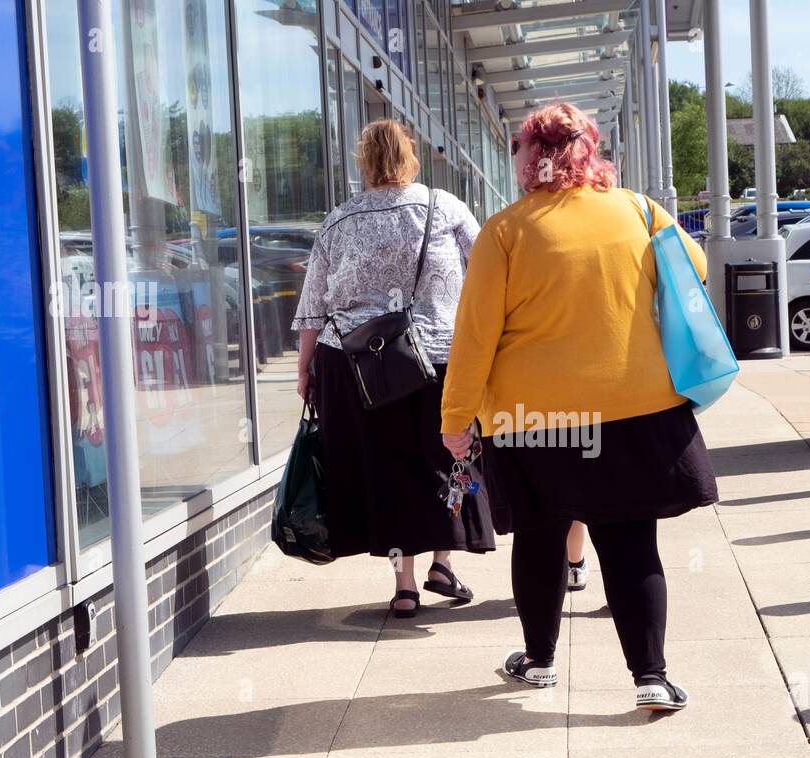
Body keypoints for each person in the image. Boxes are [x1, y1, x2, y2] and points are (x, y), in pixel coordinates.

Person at [440, 103, 718, 711]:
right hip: (635, 408)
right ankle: (651, 676)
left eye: (516, 145)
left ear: (535, 154)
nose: (512, 155)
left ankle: (538, 661)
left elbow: (475, 336)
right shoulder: (640, 211)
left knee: (539, 538)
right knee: (630, 541)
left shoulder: (506, 232)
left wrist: (456, 420)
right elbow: (693, 271)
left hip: (533, 421)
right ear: (586, 152)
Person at [293, 119, 494, 618]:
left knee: (387, 471)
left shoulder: (338, 220)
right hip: (438, 356)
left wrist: (305, 370)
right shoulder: (443, 206)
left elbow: (313, 306)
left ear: (364, 161)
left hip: (358, 367)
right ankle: (443, 561)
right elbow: (490, 268)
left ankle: (404, 586)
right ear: (413, 156)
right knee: (450, 457)